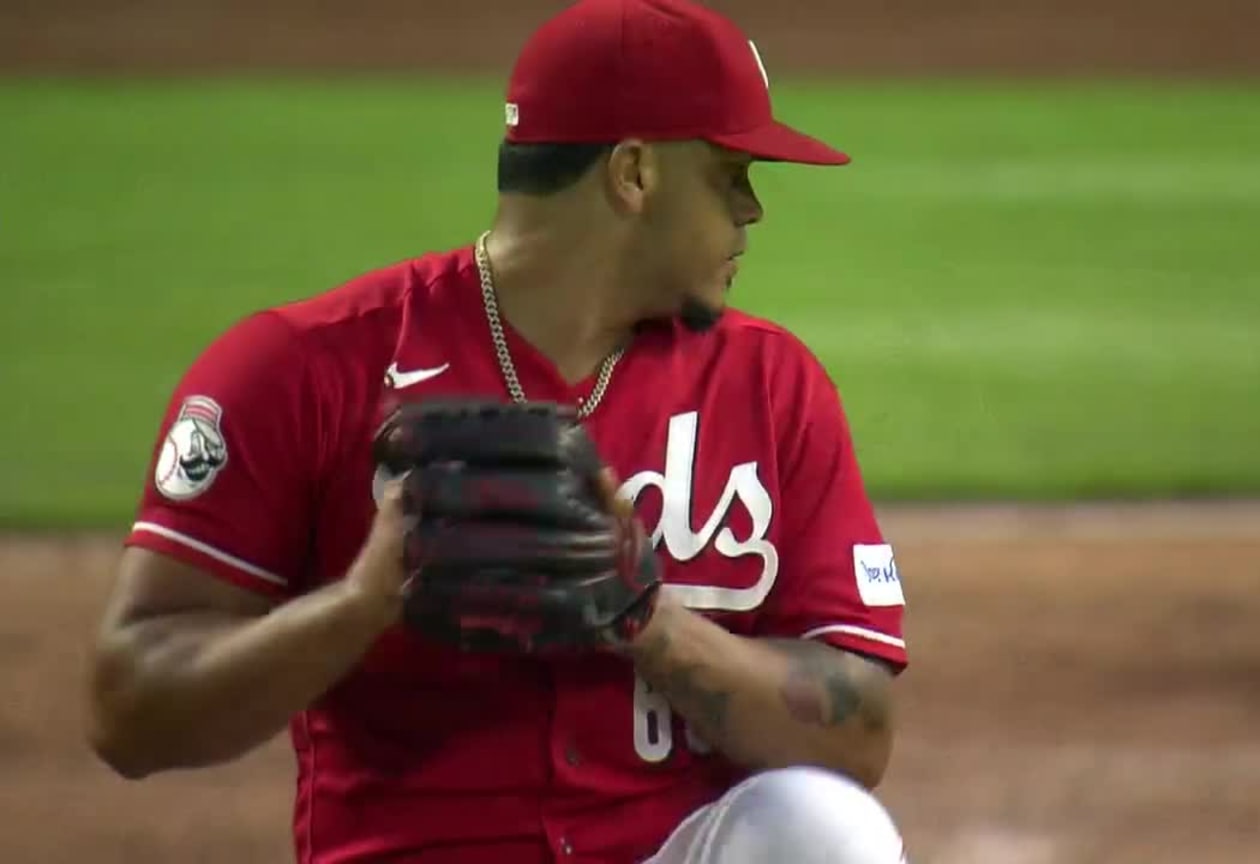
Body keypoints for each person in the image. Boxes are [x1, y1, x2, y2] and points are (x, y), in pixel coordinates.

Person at [84, 0, 911, 862]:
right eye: (730, 173)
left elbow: (860, 736)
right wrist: (363, 607)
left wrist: (648, 624)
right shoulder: (305, 370)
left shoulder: (772, 387)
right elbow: (126, 712)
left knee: (825, 831)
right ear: (634, 173)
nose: (752, 209)